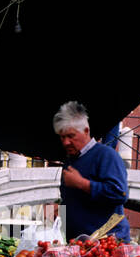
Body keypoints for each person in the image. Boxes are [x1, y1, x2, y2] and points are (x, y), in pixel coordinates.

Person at [54, 101, 131, 242]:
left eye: (71, 136)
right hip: (80, 244)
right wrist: (62, 209)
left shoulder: (107, 155)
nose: (65, 142)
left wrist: (82, 183)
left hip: (107, 244)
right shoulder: (71, 160)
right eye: (62, 137)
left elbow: (120, 193)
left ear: (86, 131)